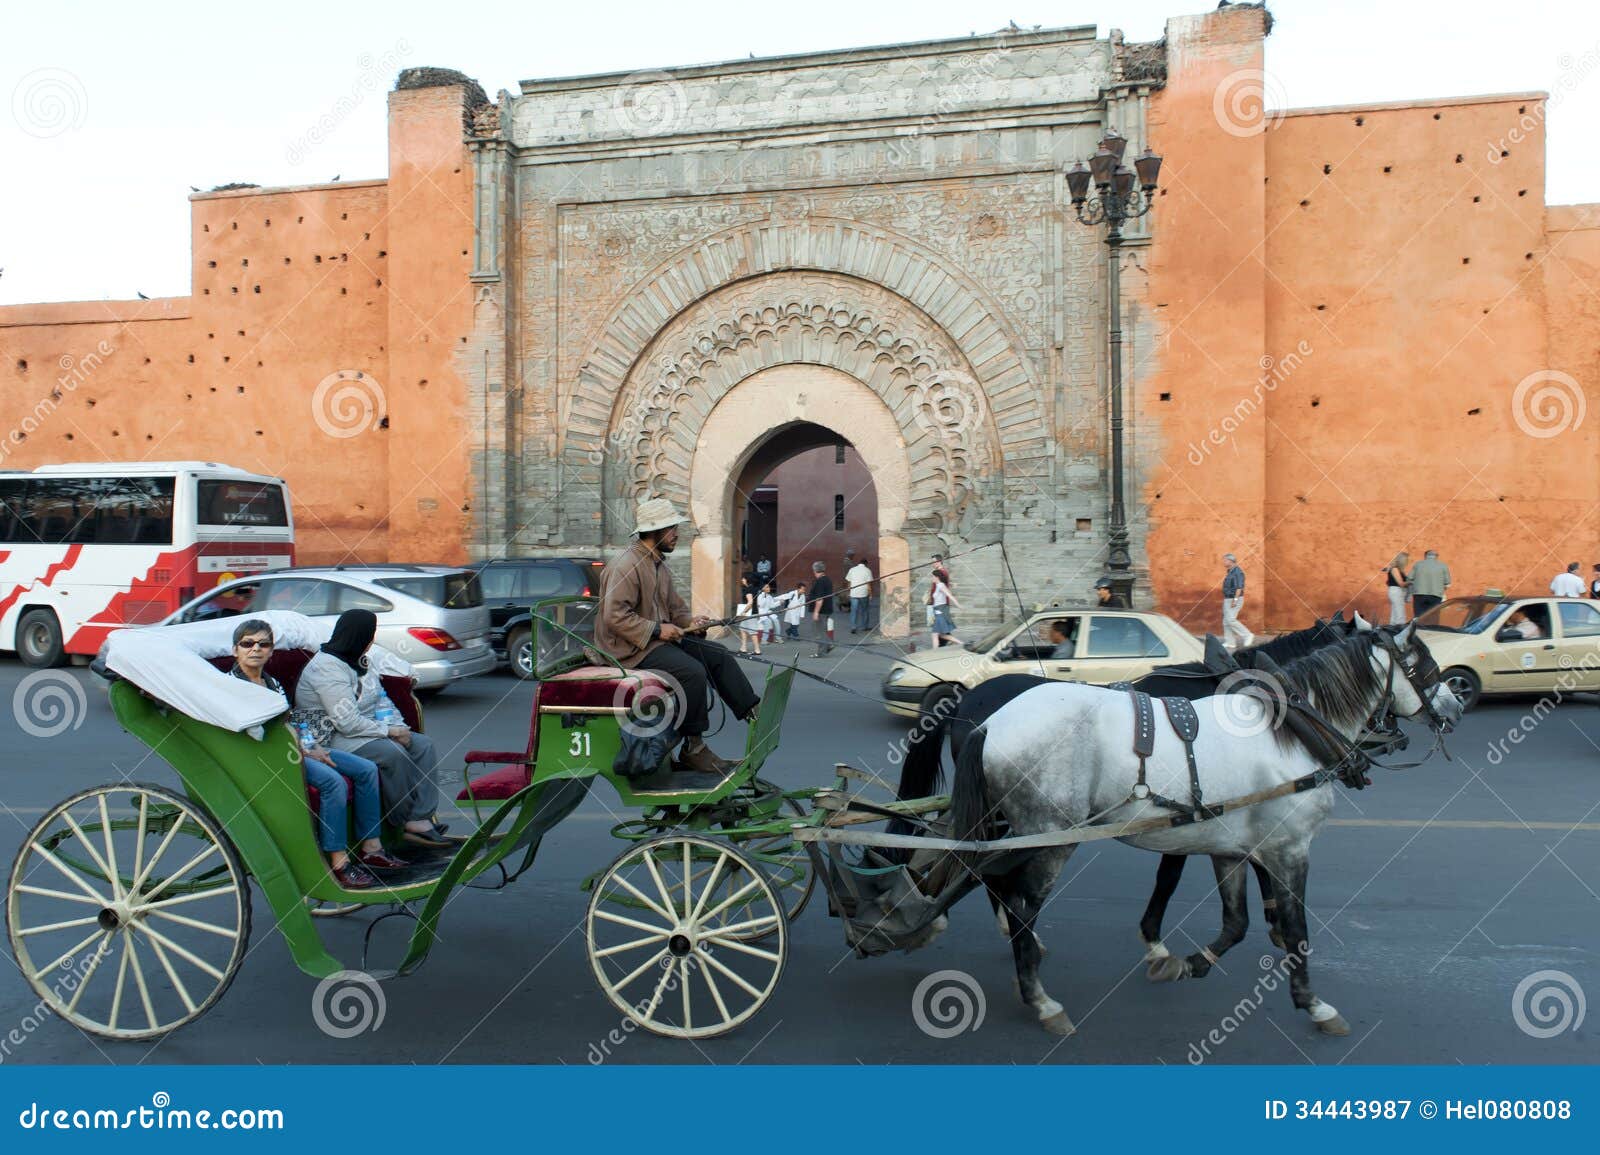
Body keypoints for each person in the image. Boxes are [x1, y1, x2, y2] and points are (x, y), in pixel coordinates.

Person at [230, 619, 406, 890]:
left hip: (298, 747)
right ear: (235, 650)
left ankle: (372, 847)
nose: (256, 649)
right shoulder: (232, 687)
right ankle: (338, 861)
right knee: (332, 782)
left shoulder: (272, 683)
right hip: (269, 756)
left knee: (366, 769)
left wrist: (313, 746)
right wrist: (305, 751)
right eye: (247, 644)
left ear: (271, 650)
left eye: (263, 644)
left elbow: (292, 720)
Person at [594, 498, 760, 775]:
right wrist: (658, 629)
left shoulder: (659, 565)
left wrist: (691, 622)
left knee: (718, 654)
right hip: (629, 649)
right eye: (671, 529)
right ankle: (694, 748)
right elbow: (614, 616)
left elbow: (675, 610)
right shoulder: (626, 565)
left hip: (653, 640)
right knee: (692, 672)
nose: (676, 534)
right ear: (653, 532)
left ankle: (753, 712)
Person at [296, 609, 452, 850]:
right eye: (370, 636)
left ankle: (420, 818)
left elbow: (381, 699)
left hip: (365, 727)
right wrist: (388, 732)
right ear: (356, 637)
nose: (372, 642)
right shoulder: (326, 668)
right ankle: (399, 823)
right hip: (331, 736)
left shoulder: (359, 660)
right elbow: (345, 722)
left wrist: (399, 727)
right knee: (392, 754)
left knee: (422, 744)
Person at [1221, 553, 1254, 650]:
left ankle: (1247, 635)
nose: (1223, 562)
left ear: (1230, 561)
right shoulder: (1230, 571)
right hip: (1228, 599)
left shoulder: (1238, 572)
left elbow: (1239, 587)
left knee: (1230, 619)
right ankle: (1230, 642)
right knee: (1226, 621)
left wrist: (1235, 600)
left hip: (1234, 599)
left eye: (1225, 560)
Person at [1409, 550, 1451, 617]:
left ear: (1425, 556)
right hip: (1436, 595)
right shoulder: (1443, 566)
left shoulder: (1418, 564)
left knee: (1418, 617)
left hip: (1419, 594)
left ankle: (1419, 627)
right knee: (1433, 616)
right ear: (1436, 557)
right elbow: (1447, 583)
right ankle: (1431, 627)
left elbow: (1409, 578)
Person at [807, 561, 835, 657]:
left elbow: (819, 599)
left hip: (821, 610)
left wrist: (816, 612)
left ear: (815, 570)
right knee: (821, 630)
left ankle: (822, 651)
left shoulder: (820, 581)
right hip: (827, 609)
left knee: (818, 632)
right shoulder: (827, 579)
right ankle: (827, 646)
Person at [930, 569, 960, 647]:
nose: (931, 578)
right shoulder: (938, 585)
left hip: (940, 614)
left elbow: (950, 596)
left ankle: (934, 654)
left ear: (937, 577)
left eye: (932, 576)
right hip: (938, 614)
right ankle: (961, 643)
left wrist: (958, 605)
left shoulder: (940, 585)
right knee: (941, 635)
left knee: (934, 635)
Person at [846, 555, 874, 634]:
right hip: (863, 593)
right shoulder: (867, 570)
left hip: (853, 593)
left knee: (854, 611)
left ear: (859, 563)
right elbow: (868, 584)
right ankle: (864, 626)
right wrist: (871, 594)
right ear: (866, 564)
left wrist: (849, 592)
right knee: (864, 610)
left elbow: (849, 582)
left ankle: (853, 626)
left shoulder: (852, 569)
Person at [1383, 552, 1411, 625]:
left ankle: (1392, 628)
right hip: (1396, 591)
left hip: (1396, 591)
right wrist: (1410, 582)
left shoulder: (1396, 569)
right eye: (1406, 560)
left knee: (1395, 613)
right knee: (1400, 613)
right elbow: (1401, 583)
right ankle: (1400, 630)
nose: (1407, 562)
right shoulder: (1395, 569)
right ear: (1402, 561)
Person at [736, 587, 763, 655]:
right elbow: (757, 603)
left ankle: (757, 650)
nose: (742, 580)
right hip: (752, 613)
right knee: (742, 628)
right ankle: (743, 648)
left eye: (743, 579)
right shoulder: (754, 589)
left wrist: (743, 611)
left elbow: (750, 602)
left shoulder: (748, 590)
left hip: (750, 614)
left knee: (752, 632)